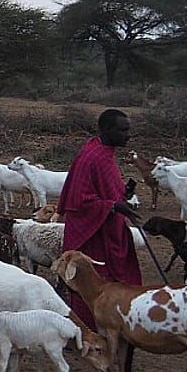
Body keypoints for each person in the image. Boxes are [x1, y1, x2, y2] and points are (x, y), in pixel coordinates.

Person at [57, 108, 142, 331]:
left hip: (106, 226)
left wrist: (122, 195)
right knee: (91, 282)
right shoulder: (92, 157)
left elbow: (105, 189)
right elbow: (79, 200)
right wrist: (113, 206)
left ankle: (112, 325)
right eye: (123, 130)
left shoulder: (103, 153)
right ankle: (88, 331)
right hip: (92, 234)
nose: (128, 135)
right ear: (107, 129)